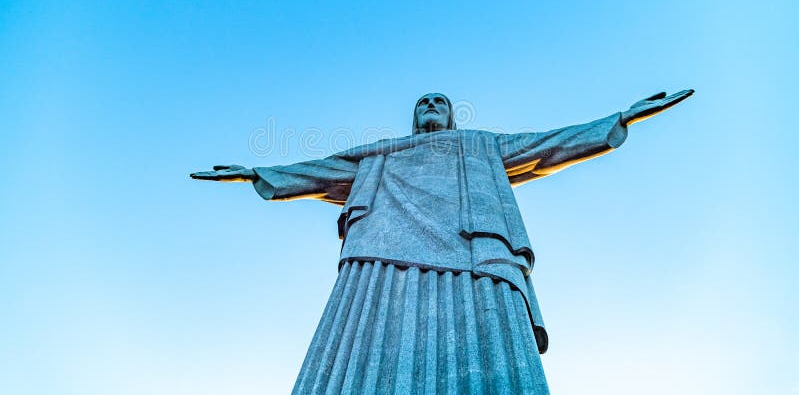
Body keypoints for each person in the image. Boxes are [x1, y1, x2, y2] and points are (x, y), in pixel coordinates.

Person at [191, 89, 693, 394]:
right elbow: (319, 171)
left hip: (474, 250)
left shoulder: (481, 144)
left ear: (452, 116)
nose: (431, 106)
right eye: (423, 102)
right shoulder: (381, 152)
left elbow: (548, 145)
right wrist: (258, 171)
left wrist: (620, 119)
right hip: (380, 255)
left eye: (440, 102)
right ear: (414, 117)